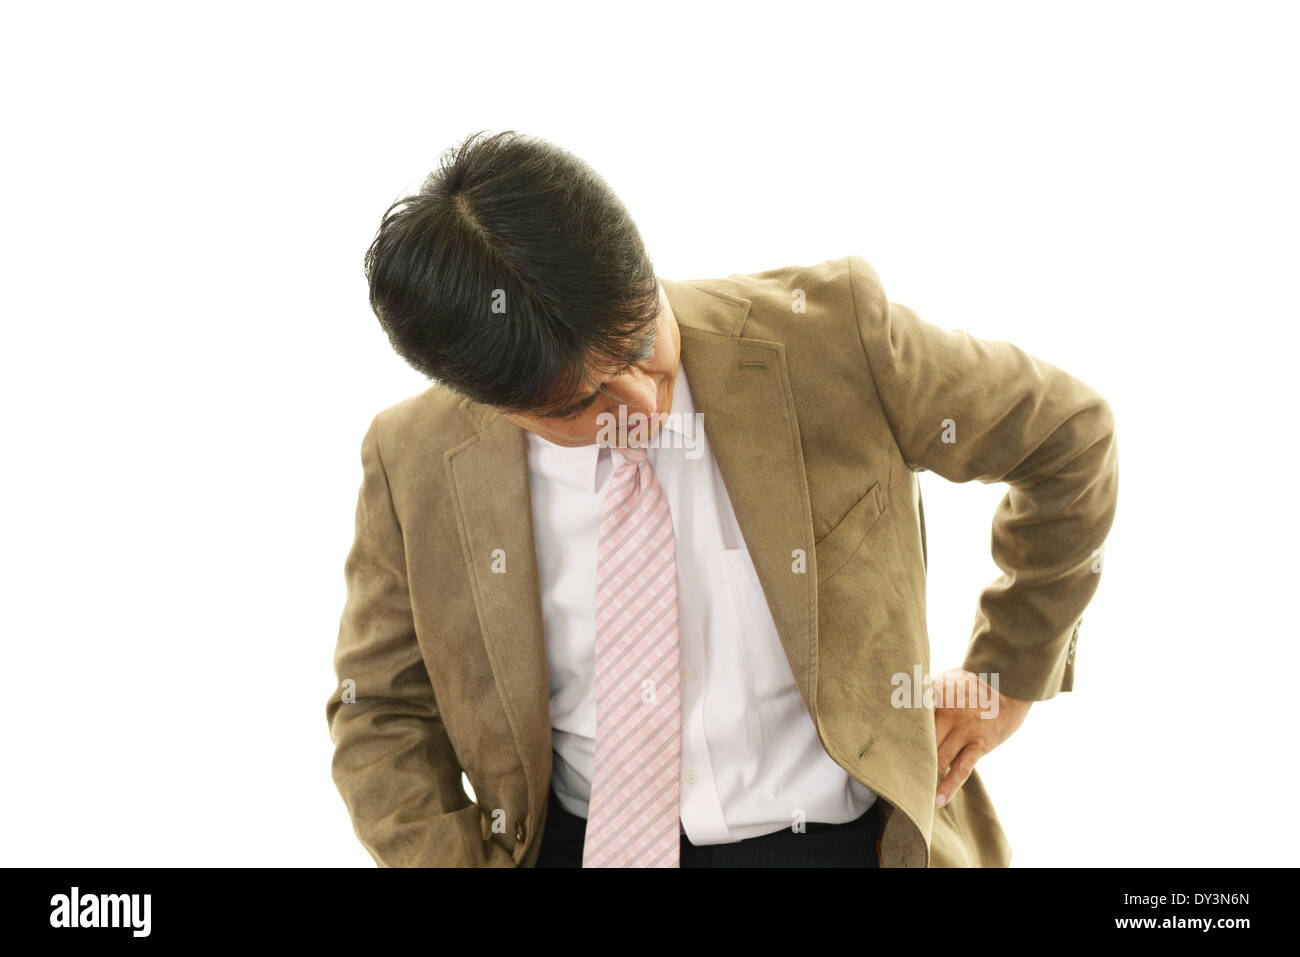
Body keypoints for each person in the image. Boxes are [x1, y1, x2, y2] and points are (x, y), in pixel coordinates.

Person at [324, 130, 1118, 867]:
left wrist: (1008, 676)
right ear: (491, 403)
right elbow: (381, 713)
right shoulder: (415, 458)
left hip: (844, 842)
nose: (641, 399)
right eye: (580, 404)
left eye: (641, 341)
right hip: (578, 842)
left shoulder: (832, 335)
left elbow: (1068, 439)